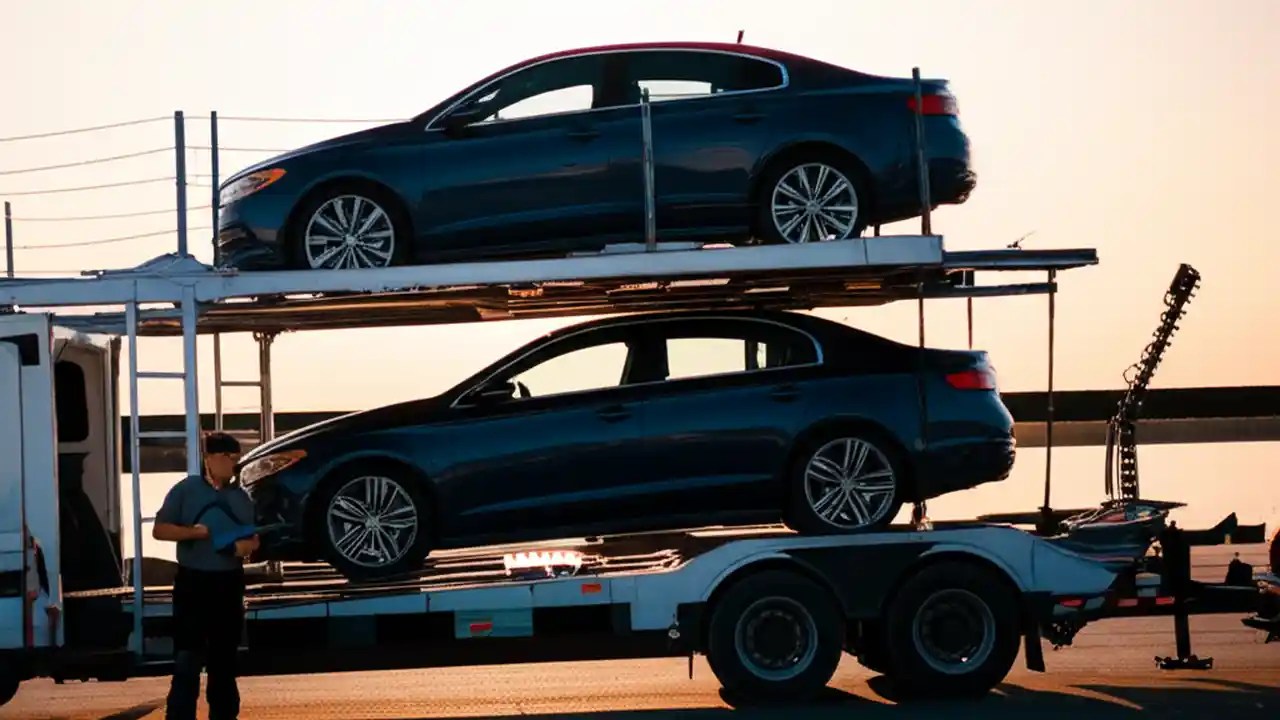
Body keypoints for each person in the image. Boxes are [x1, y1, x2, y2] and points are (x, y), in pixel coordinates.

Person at [152, 431, 258, 720]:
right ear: (209, 458)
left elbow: (253, 538)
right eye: (228, 457)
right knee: (187, 658)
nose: (233, 464)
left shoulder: (241, 497)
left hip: (229, 583)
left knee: (224, 660)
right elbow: (159, 530)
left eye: (236, 458)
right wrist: (194, 533)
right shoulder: (185, 490)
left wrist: (246, 548)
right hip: (193, 582)